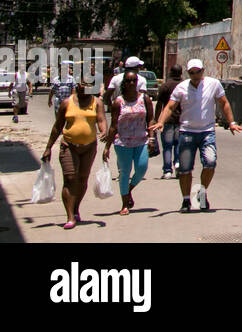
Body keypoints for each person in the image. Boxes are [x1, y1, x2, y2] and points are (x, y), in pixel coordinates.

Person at [149, 59, 242, 212]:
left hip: (207, 132)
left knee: (210, 163)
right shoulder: (181, 87)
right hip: (187, 132)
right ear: (188, 73)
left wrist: (231, 122)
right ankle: (186, 200)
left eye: (197, 72)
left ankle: (202, 192)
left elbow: (223, 103)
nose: (195, 75)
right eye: (192, 72)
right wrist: (161, 122)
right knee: (185, 168)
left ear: (202, 71)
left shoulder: (213, 84)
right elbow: (170, 106)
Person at [40, 75, 106, 229]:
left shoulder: (97, 102)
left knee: (82, 179)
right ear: (77, 85)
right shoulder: (67, 103)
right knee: (70, 178)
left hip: (89, 147)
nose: (86, 87)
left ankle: (75, 208)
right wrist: (48, 148)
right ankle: (70, 217)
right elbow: (58, 126)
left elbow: (101, 120)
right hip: (68, 146)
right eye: (83, 84)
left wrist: (104, 131)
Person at [103, 70, 153, 215]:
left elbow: (150, 119)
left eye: (134, 80)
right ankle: (124, 203)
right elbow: (113, 125)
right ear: (124, 83)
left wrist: (151, 138)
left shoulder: (145, 99)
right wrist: (107, 147)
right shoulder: (118, 102)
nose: (131, 83)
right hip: (122, 142)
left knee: (141, 168)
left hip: (141, 140)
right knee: (124, 172)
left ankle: (128, 190)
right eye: (128, 81)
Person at [154, 65, 184, 178]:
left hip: (167, 120)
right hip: (181, 120)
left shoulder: (165, 86)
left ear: (170, 72)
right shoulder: (184, 86)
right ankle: (178, 166)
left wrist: (156, 119)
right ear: (181, 73)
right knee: (178, 145)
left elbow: (159, 104)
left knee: (167, 146)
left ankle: (167, 171)